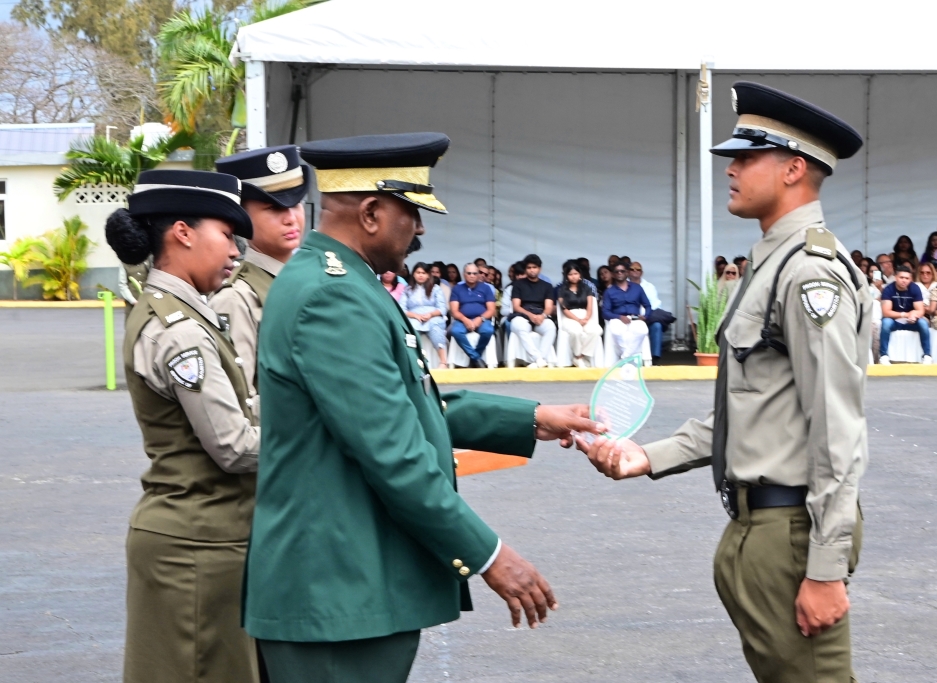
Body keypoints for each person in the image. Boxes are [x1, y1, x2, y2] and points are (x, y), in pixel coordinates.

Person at [243, 132, 603, 682]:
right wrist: (489, 555)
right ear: (370, 212)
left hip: (347, 590)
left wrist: (530, 419)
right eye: (412, 212)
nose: (422, 228)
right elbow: (393, 451)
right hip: (337, 595)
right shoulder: (332, 295)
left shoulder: (340, 282)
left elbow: (410, 400)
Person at [577, 81, 871, 683]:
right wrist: (646, 457)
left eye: (746, 157)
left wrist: (825, 567)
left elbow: (836, 429)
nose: (731, 169)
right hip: (757, 530)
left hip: (791, 533)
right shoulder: (773, 260)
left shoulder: (809, 274)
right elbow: (752, 410)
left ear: (793, 169)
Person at [105, 170, 262, 683]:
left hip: (204, 539)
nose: (236, 251)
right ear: (183, 232)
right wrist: (316, 438)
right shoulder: (180, 332)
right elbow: (235, 447)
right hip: (197, 546)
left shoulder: (182, 315)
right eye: (226, 235)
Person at [210, 145, 310, 398]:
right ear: (242, 217)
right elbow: (240, 401)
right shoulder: (237, 299)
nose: (291, 218)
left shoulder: (309, 278)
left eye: (296, 204)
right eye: (274, 208)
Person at [400, 262, 450, 369]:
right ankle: (413, 362)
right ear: (413, 274)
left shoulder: (436, 288)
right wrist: (415, 315)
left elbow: (442, 308)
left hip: (433, 317)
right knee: (411, 328)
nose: (421, 275)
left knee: (435, 328)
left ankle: (443, 362)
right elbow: (402, 309)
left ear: (428, 275)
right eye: (418, 272)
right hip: (414, 317)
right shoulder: (407, 290)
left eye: (423, 273)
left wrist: (430, 314)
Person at [510, 254, 557, 367]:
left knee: (551, 327)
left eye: (534, 267)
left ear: (539, 269)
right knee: (520, 327)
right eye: (529, 267)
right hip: (522, 315)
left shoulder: (547, 286)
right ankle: (538, 359)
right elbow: (516, 306)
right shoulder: (518, 285)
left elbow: (549, 307)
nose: (532, 270)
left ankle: (539, 360)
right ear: (525, 269)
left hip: (540, 316)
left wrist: (543, 316)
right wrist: (530, 315)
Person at [879, 265, 932, 364]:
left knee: (923, 324)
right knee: (885, 323)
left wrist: (914, 315)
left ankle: (927, 355)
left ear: (910, 279)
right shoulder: (888, 289)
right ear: (895, 277)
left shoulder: (915, 288)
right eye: (901, 277)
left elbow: (921, 310)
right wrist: (906, 314)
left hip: (911, 321)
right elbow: (886, 312)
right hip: (894, 320)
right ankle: (883, 355)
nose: (904, 280)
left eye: (907, 278)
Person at [449, 262, 496, 368]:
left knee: (488, 331)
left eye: (475, 273)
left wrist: (480, 319)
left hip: (482, 319)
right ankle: (476, 358)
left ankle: (474, 358)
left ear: (478, 274)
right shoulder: (457, 288)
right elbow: (454, 311)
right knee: (456, 331)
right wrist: (465, 320)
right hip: (462, 320)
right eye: (469, 273)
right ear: (464, 274)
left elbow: (491, 310)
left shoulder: (486, 288)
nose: (472, 276)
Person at [602, 262, 650, 360]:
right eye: (617, 271)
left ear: (627, 273)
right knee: (616, 332)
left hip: (635, 318)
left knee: (643, 330)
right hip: (618, 319)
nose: (620, 273)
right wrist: (620, 317)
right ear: (613, 274)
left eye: (622, 271)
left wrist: (645, 316)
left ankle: (625, 356)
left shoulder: (637, 288)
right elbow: (605, 312)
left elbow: (648, 306)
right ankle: (629, 357)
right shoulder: (609, 291)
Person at [558, 261, 602, 367]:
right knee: (576, 331)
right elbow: (564, 309)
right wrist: (578, 320)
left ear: (580, 274)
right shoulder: (561, 289)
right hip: (569, 317)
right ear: (566, 276)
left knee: (597, 330)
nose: (573, 277)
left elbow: (590, 306)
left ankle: (582, 355)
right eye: (570, 274)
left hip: (585, 315)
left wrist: (586, 318)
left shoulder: (587, 288)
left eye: (575, 274)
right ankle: (577, 356)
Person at [627, 260, 668, 361]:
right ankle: (627, 358)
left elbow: (656, 305)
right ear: (628, 272)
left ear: (642, 272)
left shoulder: (649, 287)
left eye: (638, 269)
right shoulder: (623, 286)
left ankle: (655, 358)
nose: (635, 271)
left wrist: (645, 316)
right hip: (629, 318)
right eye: (632, 269)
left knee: (657, 325)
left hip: (647, 317)